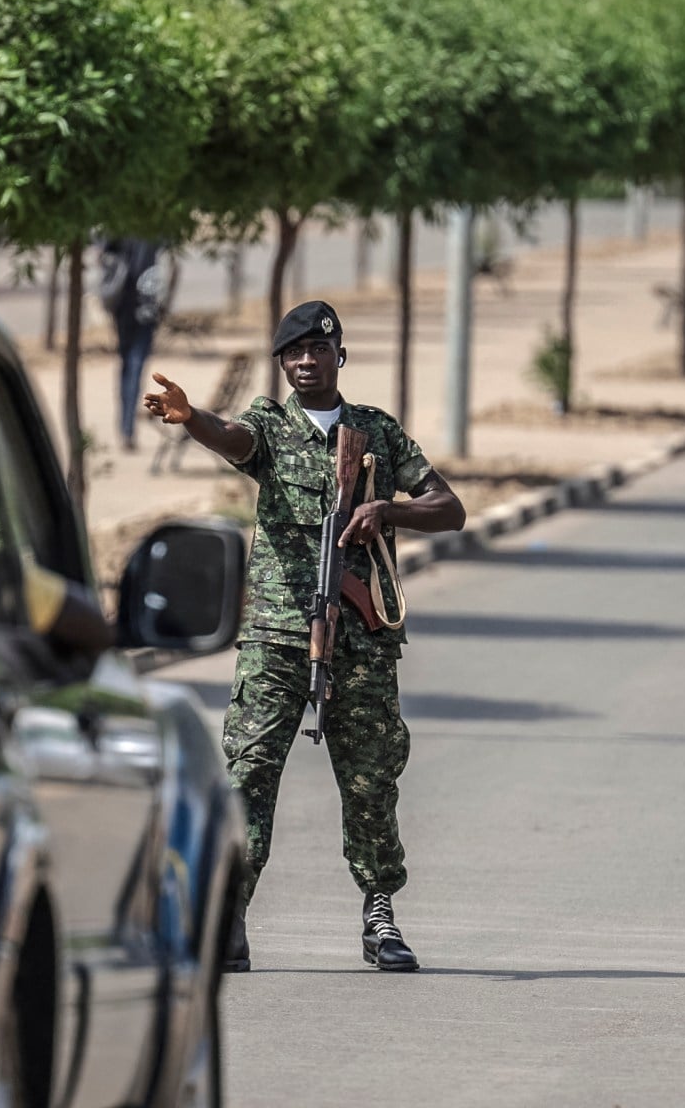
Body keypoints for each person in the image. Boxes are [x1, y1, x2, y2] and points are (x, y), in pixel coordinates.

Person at [143, 301, 466, 973]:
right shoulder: (272, 424)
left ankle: (380, 913)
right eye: (294, 353)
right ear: (283, 363)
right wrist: (193, 418)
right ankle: (229, 916)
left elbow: (450, 508)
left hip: (363, 639)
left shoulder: (376, 432)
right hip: (277, 636)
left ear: (338, 355)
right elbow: (235, 439)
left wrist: (388, 508)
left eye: (318, 350)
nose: (306, 361)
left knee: (372, 779)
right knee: (249, 772)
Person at [99, 239, 172, 453]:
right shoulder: (152, 227)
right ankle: (127, 428)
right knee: (134, 366)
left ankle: (125, 426)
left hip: (122, 305)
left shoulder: (120, 224)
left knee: (127, 366)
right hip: (143, 307)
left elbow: (103, 253)